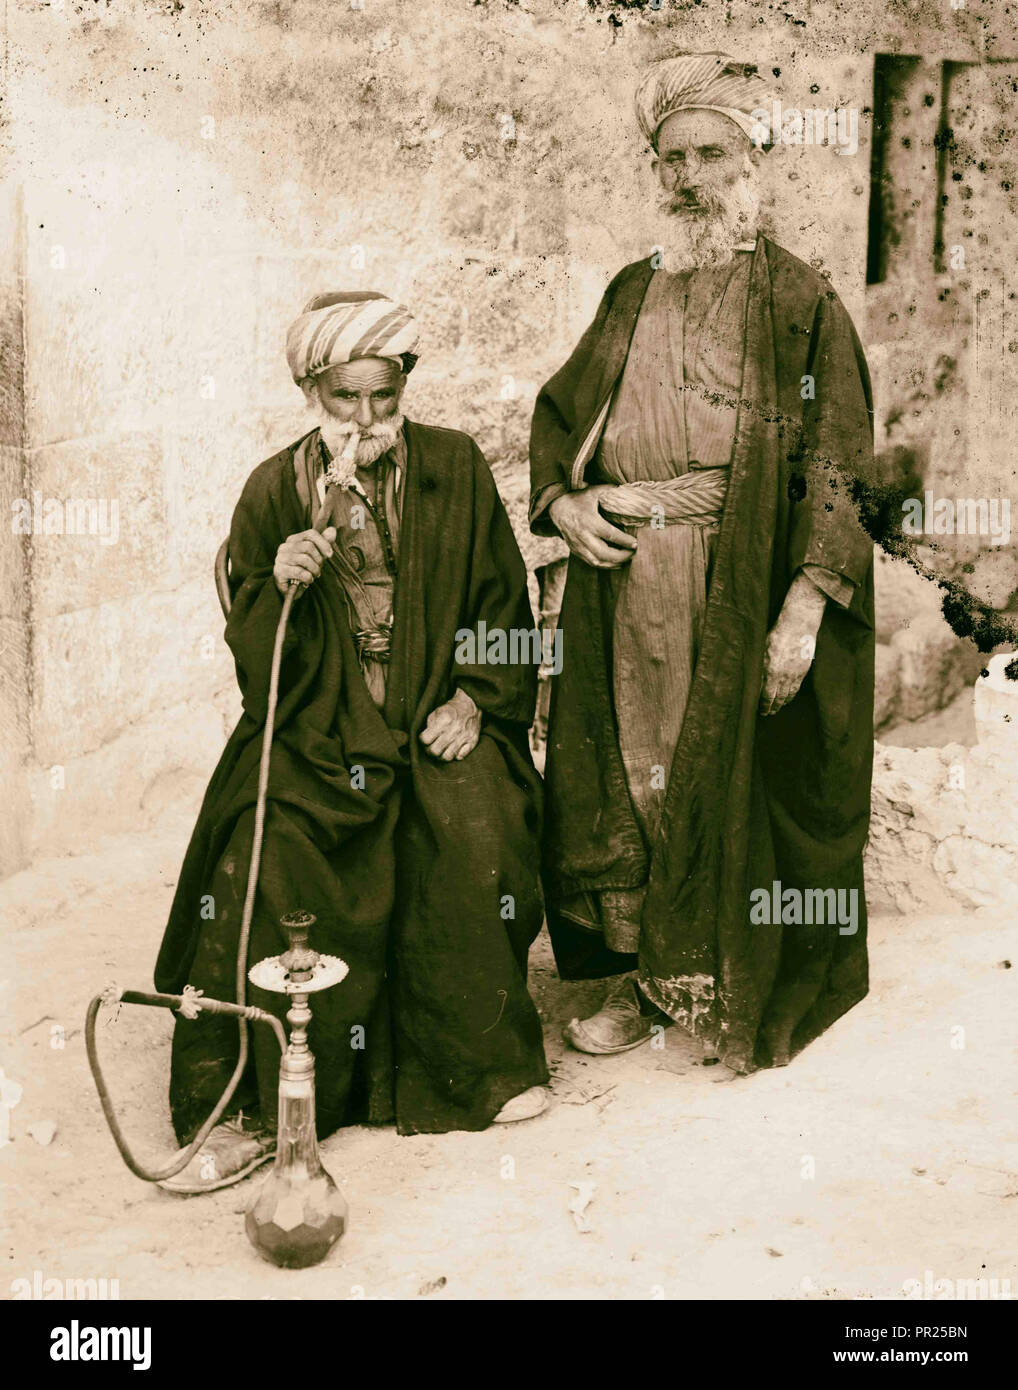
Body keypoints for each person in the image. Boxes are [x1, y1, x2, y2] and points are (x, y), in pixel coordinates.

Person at [155, 290, 549, 1191]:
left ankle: (475, 1070)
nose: (368, 418)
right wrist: (279, 587)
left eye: (383, 394)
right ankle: (257, 1105)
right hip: (318, 724)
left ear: (402, 382)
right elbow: (260, 655)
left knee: (475, 823)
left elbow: (505, 608)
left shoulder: (454, 467)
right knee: (264, 851)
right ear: (311, 392)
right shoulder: (272, 489)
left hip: (436, 712)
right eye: (346, 399)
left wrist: (478, 702)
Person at [529, 53, 876, 1073]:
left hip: (738, 577)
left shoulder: (799, 301)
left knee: (716, 778)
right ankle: (635, 979)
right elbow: (560, 419)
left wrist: (804, 609)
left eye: (710, 152)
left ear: (750, 160)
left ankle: (715, 977)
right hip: (624, 578)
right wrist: (565, 502)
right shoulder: (630, 290)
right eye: (670, 156)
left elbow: (843, 467)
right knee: (625, 780)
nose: (690, 174)